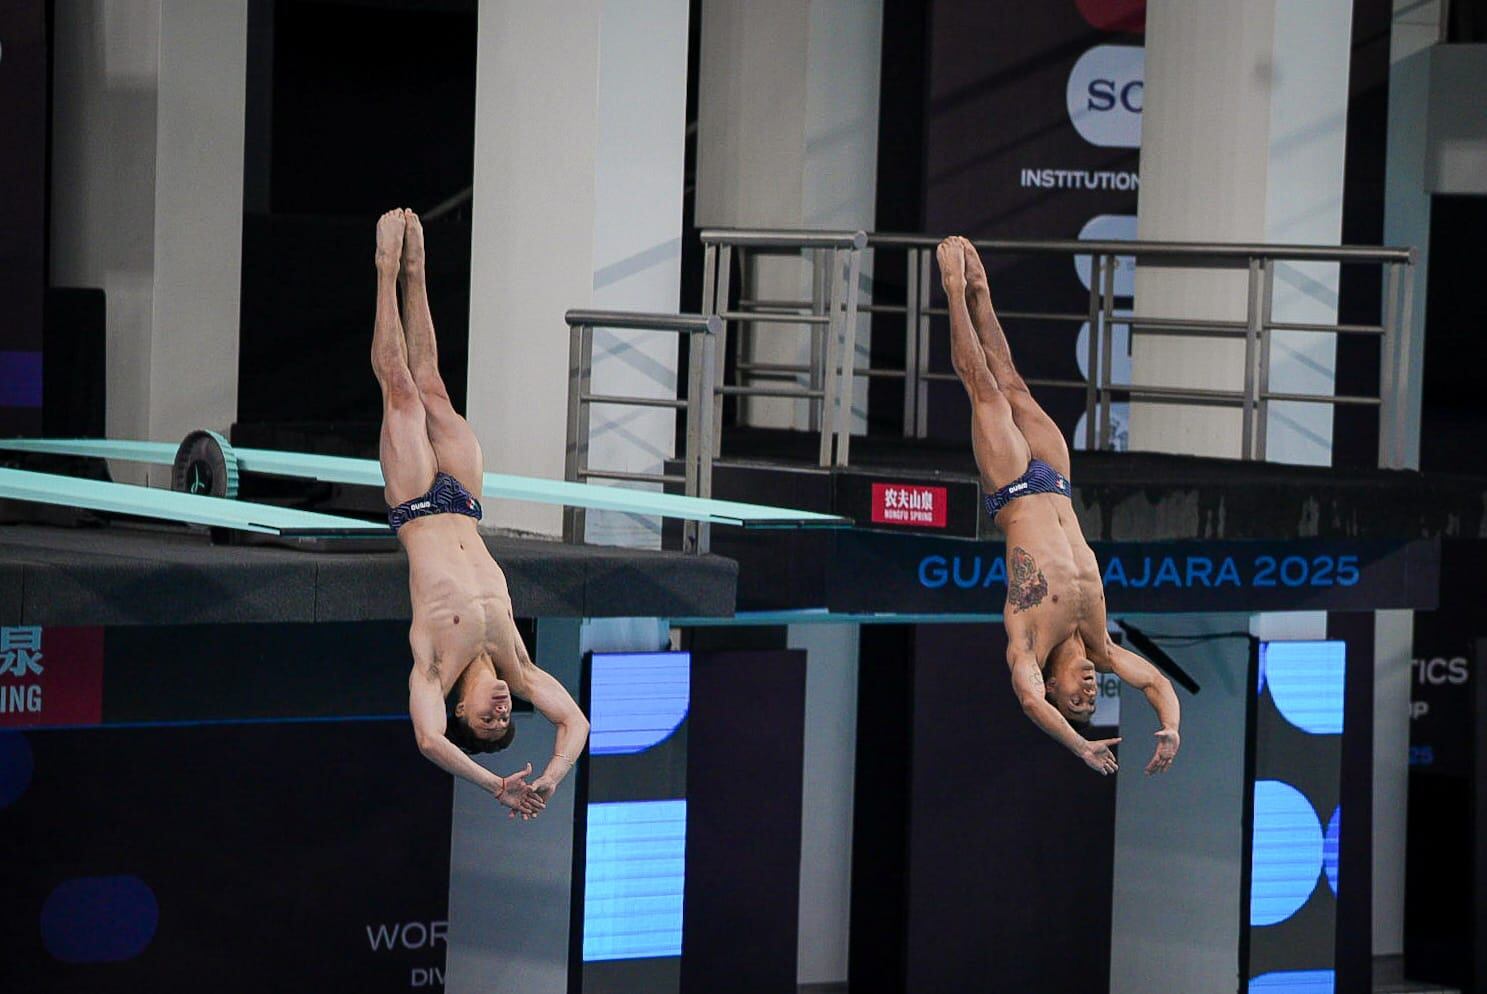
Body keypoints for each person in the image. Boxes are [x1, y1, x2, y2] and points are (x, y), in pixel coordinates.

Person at [936, 236, 1181, 777]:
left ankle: (953, 292)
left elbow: (1028, 703)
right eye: (1092, 700)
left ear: (1053, 685)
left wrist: (1078, 743)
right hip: (1058, 482)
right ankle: (982, 295)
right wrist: (1171, 726)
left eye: (1077, 700)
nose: (1089, 692)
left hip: (1013, 488)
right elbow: (1157, 682)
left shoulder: (1027, 641)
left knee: (984, 390)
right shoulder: (1102, 644)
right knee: (1014, 386)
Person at [372, 207, 589, 817]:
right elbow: (576, 724)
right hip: (465, 505)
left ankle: (386, 267)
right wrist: (548, 778)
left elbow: (427, 740)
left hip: (415, 504)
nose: (500, 711)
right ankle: (418, 271)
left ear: (460, 711)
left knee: (400, 386)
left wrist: (492, 783)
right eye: (506, 721)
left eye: (487, 724)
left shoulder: (434, 672)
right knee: (433, 384)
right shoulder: (519, 667)